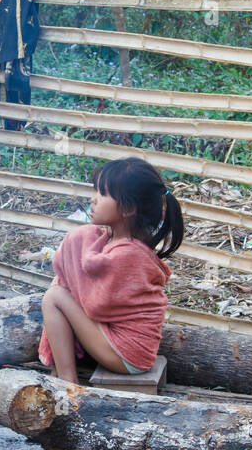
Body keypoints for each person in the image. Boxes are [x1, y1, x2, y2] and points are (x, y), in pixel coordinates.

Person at [38, 156, 183, 384]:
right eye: (95, 191)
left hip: (127, 354)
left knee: (54, 297)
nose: (93, 200)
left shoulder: (128, 254)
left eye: (102, 194)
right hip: (121, 347)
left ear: (128, 208)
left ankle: (67, 381)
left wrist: (73, 281)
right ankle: (64, 372)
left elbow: (97, 305)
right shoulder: (114, 242)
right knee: (59, 291)